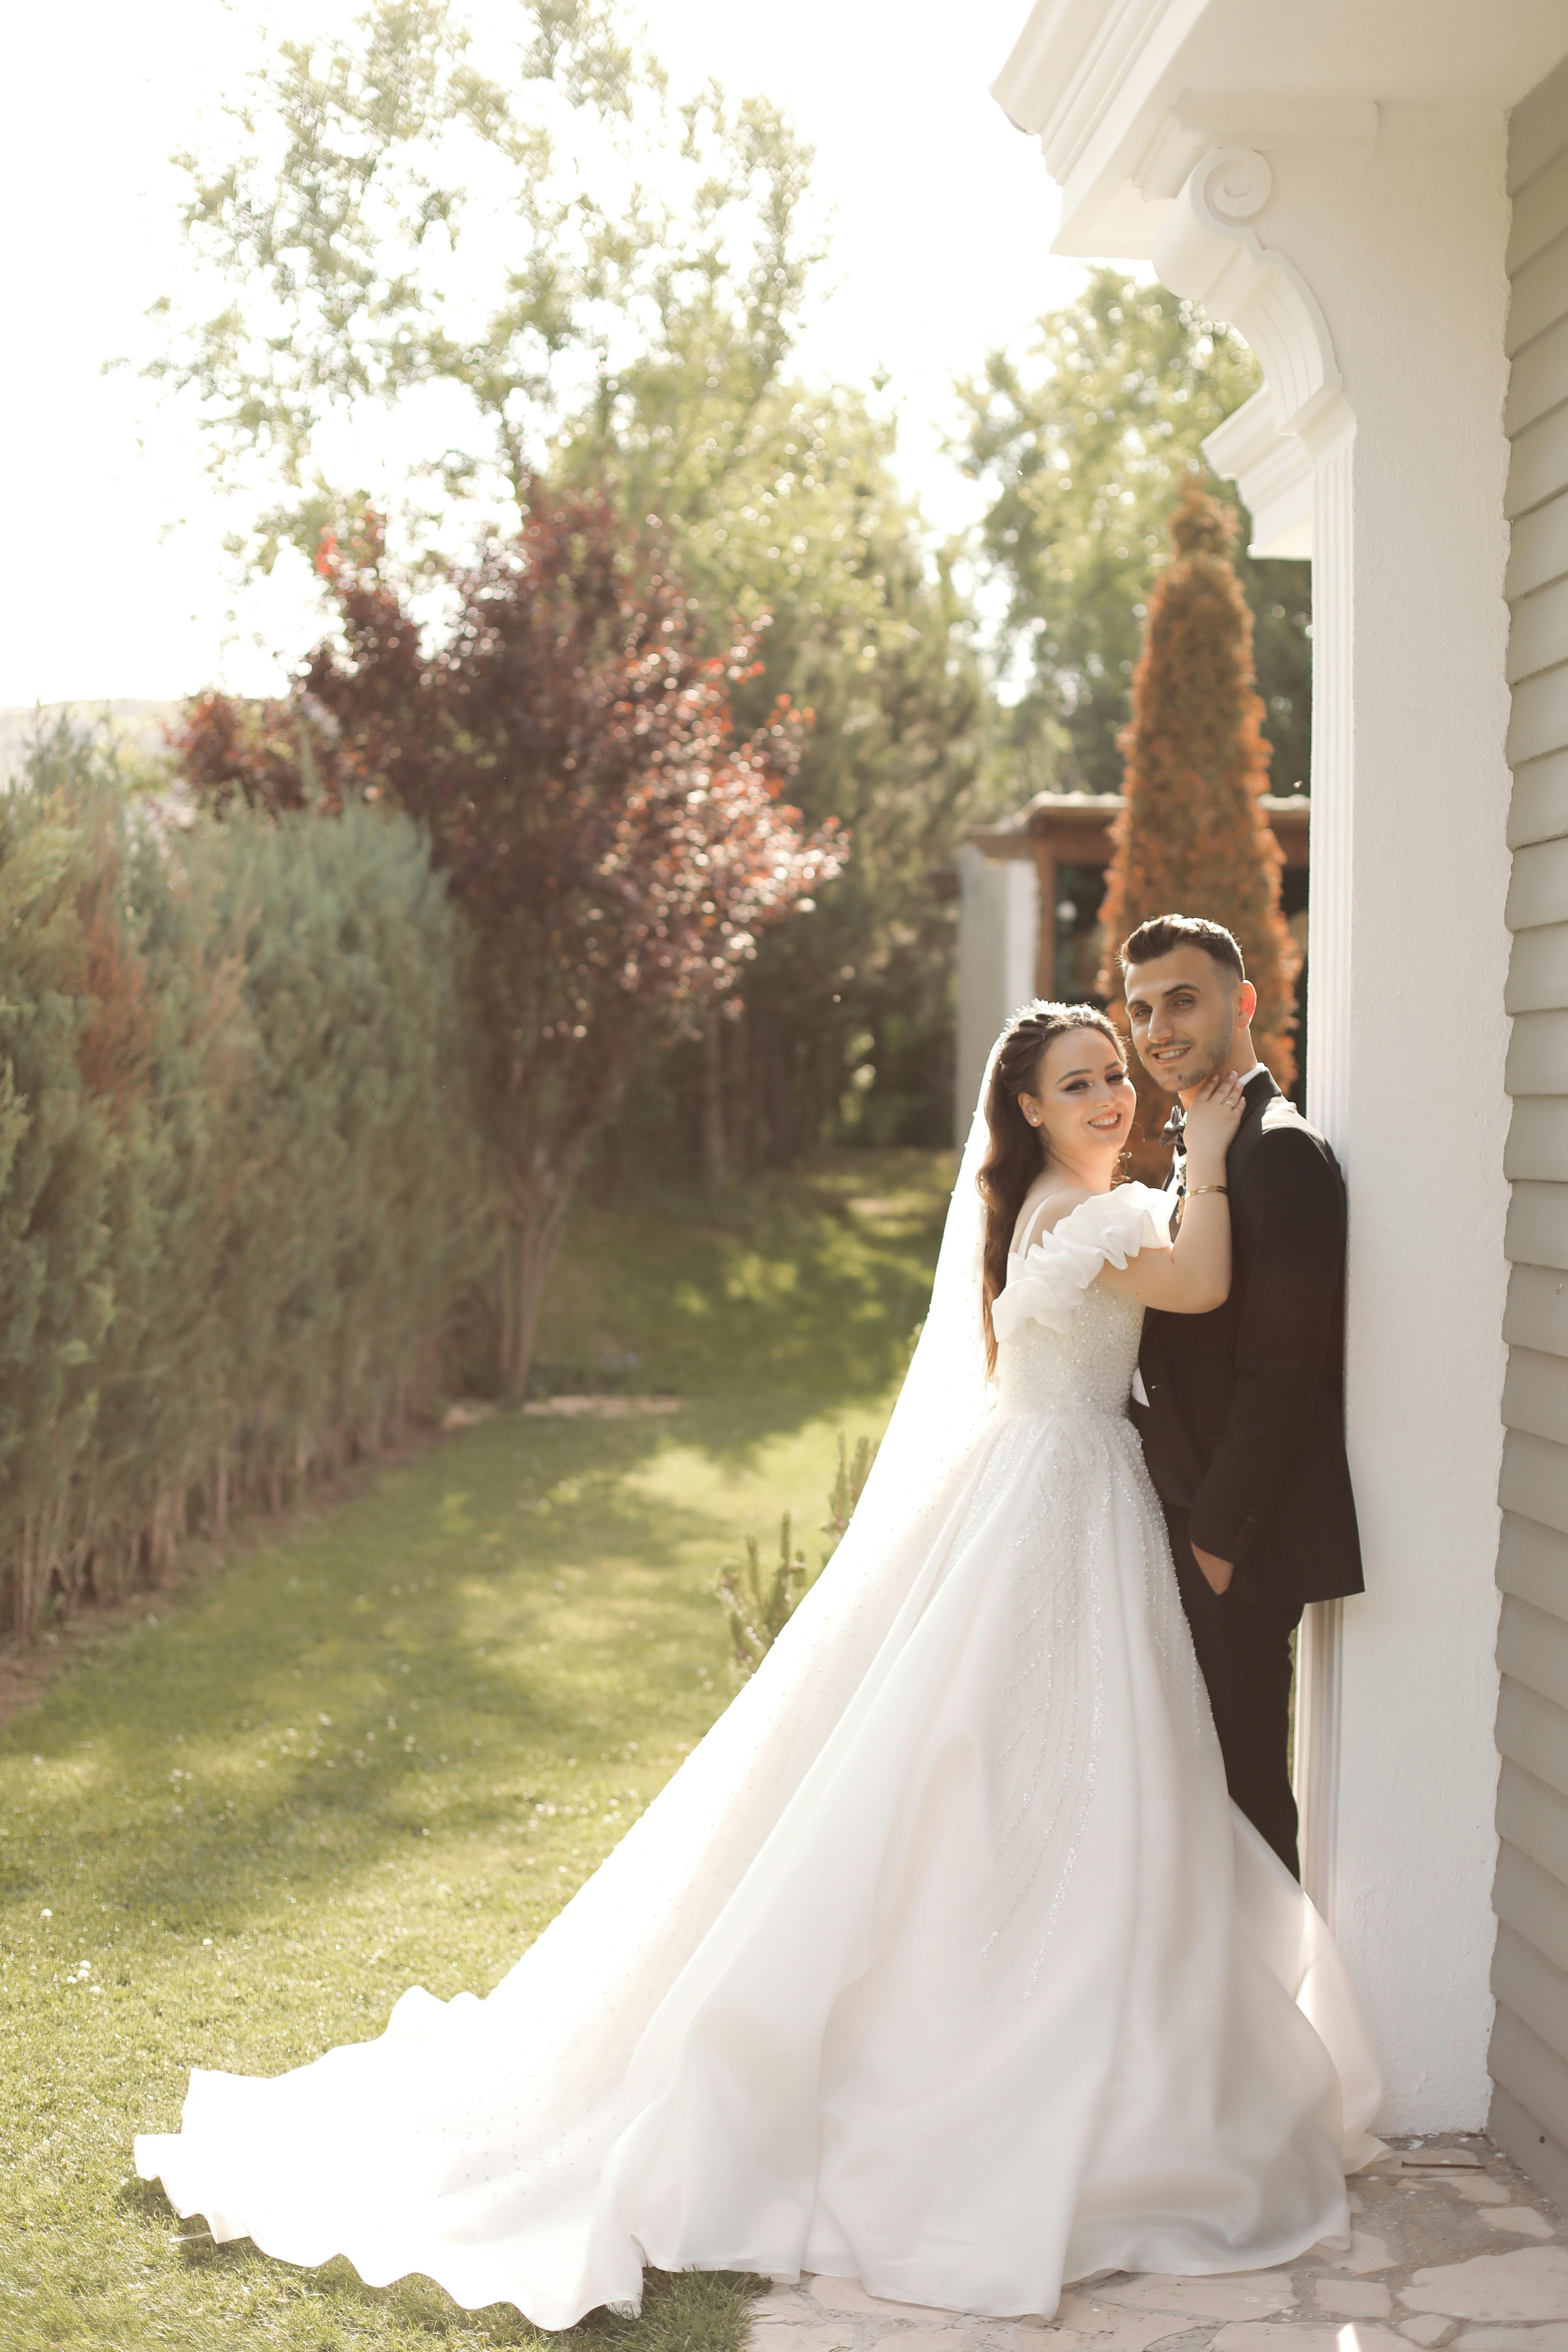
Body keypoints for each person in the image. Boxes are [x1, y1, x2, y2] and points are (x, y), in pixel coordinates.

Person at [135, 1003, 1380, 2331]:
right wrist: (1215, 1139)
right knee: (1028, 1769)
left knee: (1050, 1772)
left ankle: (1103, 2035)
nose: (1109, 1102)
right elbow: (1199, 1283)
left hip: (1054, 1494)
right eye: (1079, 1087)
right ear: (1026, 1108)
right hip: (1059, 1505)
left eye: (1114, 1082)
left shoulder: (1064, 1211)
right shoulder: (1086, 1220)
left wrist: (1179, 1154)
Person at [1120, 916, 1364, 1879]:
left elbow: (1283, 1373)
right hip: (1175, 1512)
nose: (1158, 1028)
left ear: (1244, 1002)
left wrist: (1218, 1540)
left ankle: (1274, 2019)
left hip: (1233, 1543)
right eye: (1141, 1010)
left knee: (1248, 1805)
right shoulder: (1212, 1139)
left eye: (1182, 1000)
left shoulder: (1281, 1154)